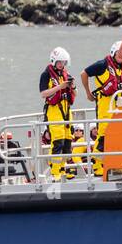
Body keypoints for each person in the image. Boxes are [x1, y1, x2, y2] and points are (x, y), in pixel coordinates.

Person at [81, 40, 122, 176]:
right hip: (105, 104)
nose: (121, 56)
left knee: (117, 136)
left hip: (118, 104)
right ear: (113, 53)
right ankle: (97, 166)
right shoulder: (102, 65)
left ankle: (113, 165)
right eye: (119, 54)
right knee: (103, 136)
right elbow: (84, 73)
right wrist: (88, 92)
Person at [38, 47, 76, 181]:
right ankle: (55, 172)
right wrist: (60, 87)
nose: (62, 65)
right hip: (54, 111)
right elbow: (43, 94)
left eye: (64, 62)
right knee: (57, 141)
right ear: (54, 61)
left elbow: (73, 95)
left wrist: (72, 87)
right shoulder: (46, 74)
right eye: (60, 62)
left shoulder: (65, 74)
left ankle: (63, 168)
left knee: (67, 141)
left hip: (66, 111)